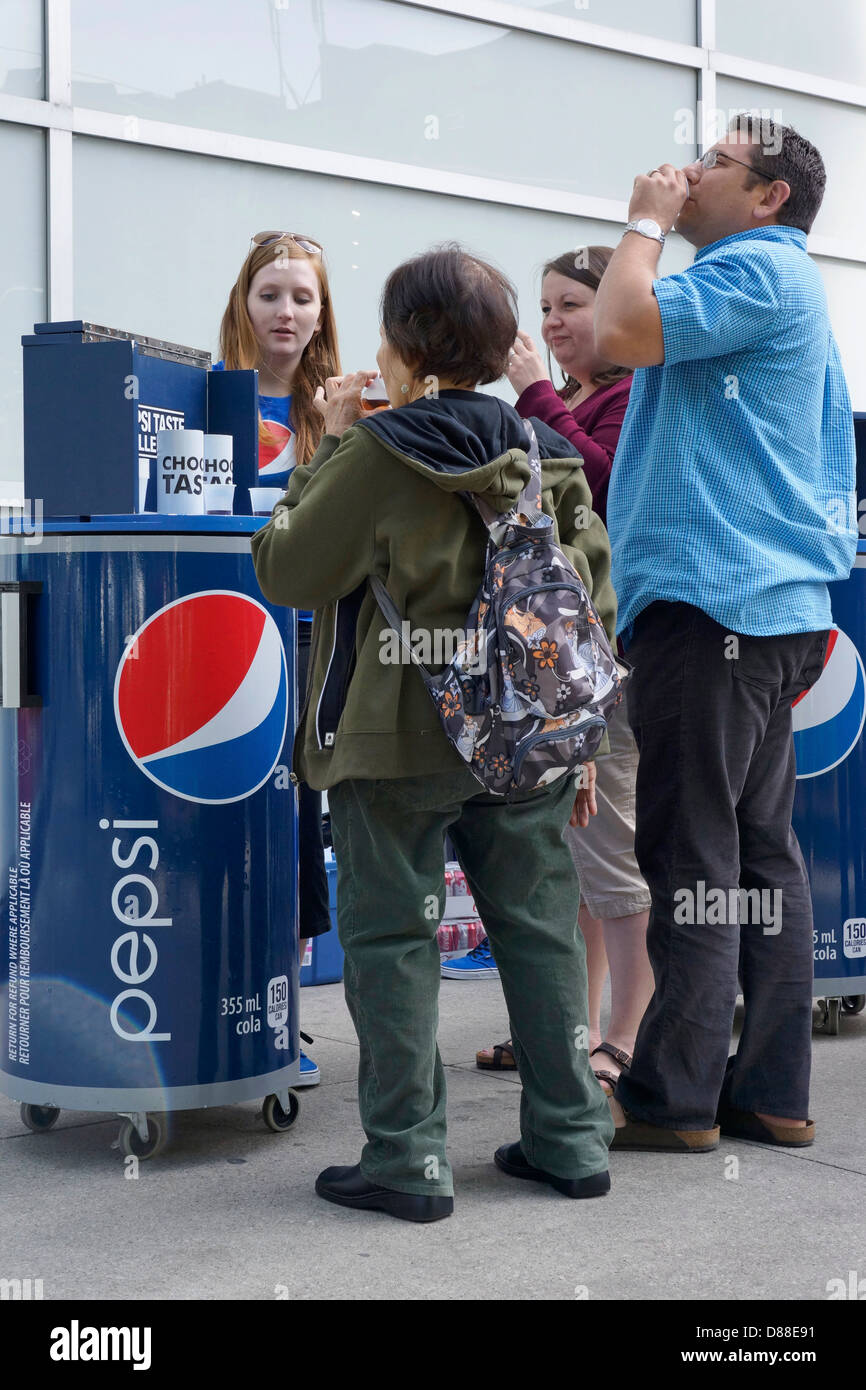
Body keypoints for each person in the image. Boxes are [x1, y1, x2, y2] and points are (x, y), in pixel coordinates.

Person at [252, 244, 616, 1222]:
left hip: (393, 740)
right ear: (501, 348)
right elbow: (591, 592)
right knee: (538, 935)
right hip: (524, 742)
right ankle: (570, 1139)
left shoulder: (378, 452)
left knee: (393, 943)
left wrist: (321, 445)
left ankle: (409, 1160)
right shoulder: (546, 456)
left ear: (407, 345)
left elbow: (286, 569)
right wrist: (578, 739)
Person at [593, 114, 858, 1151]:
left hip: (714, 608)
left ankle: (672, 1098)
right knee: (757, 860)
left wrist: (640, 220)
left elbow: (617, 332)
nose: (688, 170)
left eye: (714, 163)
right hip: (764, 611)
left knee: (694, 857)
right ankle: (767, 1090)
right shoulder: (783, 283)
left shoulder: (752, 272)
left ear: (767, 198)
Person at [467, 247, 654, 1098]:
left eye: (571, 305)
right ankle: (564, 1030)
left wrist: (536, 395)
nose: (550, 323)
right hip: (550, 663)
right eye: (543, 306)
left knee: (614, 847)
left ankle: (625, 1035)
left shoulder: (632, 396)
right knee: (570, 852)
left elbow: (609, 488)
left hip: (607, 660)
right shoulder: (572, 400)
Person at [217, 230, 343, 1085]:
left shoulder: (340, 406)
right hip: (225, 636)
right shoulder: (202, 402)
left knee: (296, 831)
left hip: (310, 637)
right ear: (244, 303)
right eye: (271, 294)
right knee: (229, 825)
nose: (286, 312)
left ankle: (283, 1020)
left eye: (303, 297)